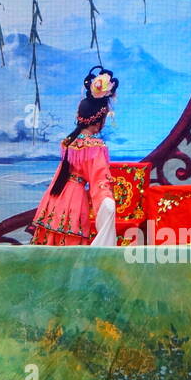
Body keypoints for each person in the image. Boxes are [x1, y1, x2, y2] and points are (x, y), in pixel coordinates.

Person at [30, 66, 117, 246]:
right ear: (99, 120)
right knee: (71, 246)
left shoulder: (68, 142)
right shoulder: (95, 146)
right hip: (74, 201)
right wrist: (107, 201)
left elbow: (59, 174)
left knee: (51, 242)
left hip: (54, 197)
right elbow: (99, 181)